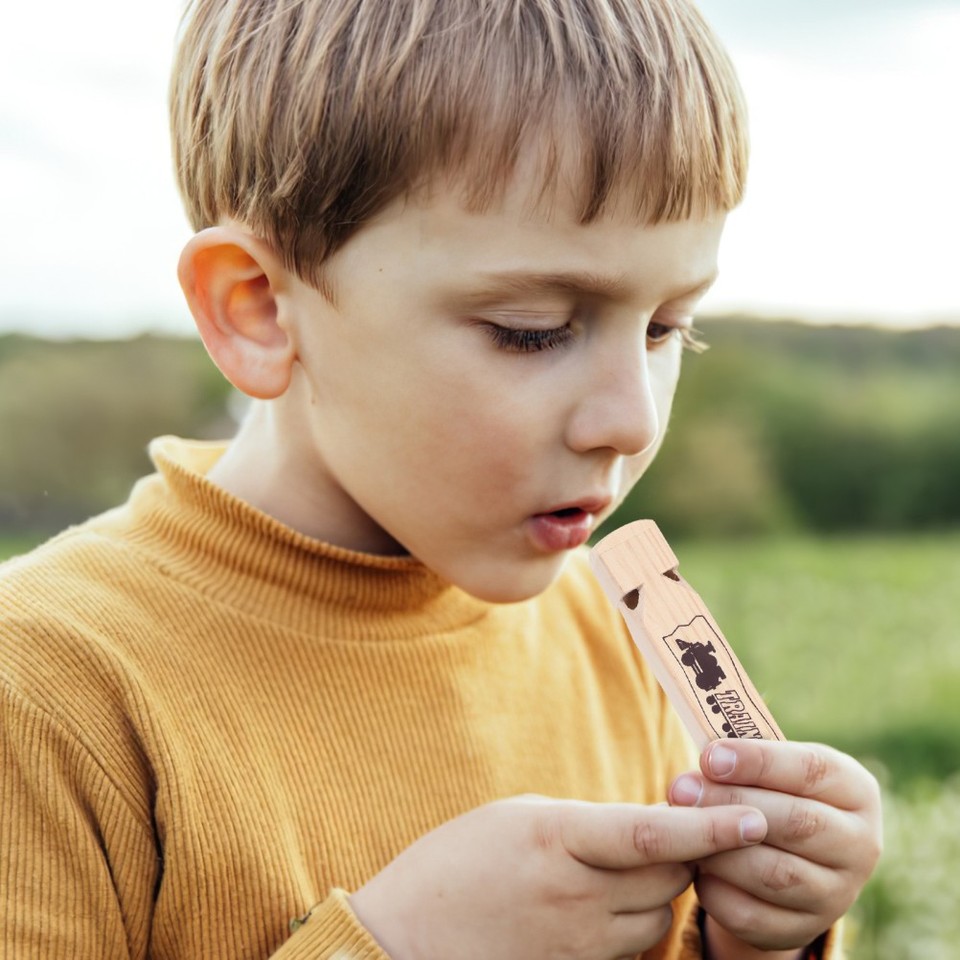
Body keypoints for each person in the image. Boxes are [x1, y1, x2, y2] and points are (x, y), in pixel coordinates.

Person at [0, 1, 882, 957]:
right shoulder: (45, 688)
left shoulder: (618, 634)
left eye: (667, 326)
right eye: (533, 327)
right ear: (257, 311)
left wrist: (758, 938)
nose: (633, 418)